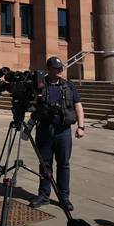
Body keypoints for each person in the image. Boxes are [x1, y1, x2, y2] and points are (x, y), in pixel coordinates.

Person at [29, 56, 85, 212]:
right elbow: (33, 105)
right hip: (44, 130)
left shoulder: (69, 86)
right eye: (56, 68)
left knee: (64, 165)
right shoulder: (40, 85)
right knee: (45, 165)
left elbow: (78, 106)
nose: (60, 70)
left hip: (63, 131)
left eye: (61, 67)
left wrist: (81, 126)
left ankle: (64, 197)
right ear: (49, 69)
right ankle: (44, 195)